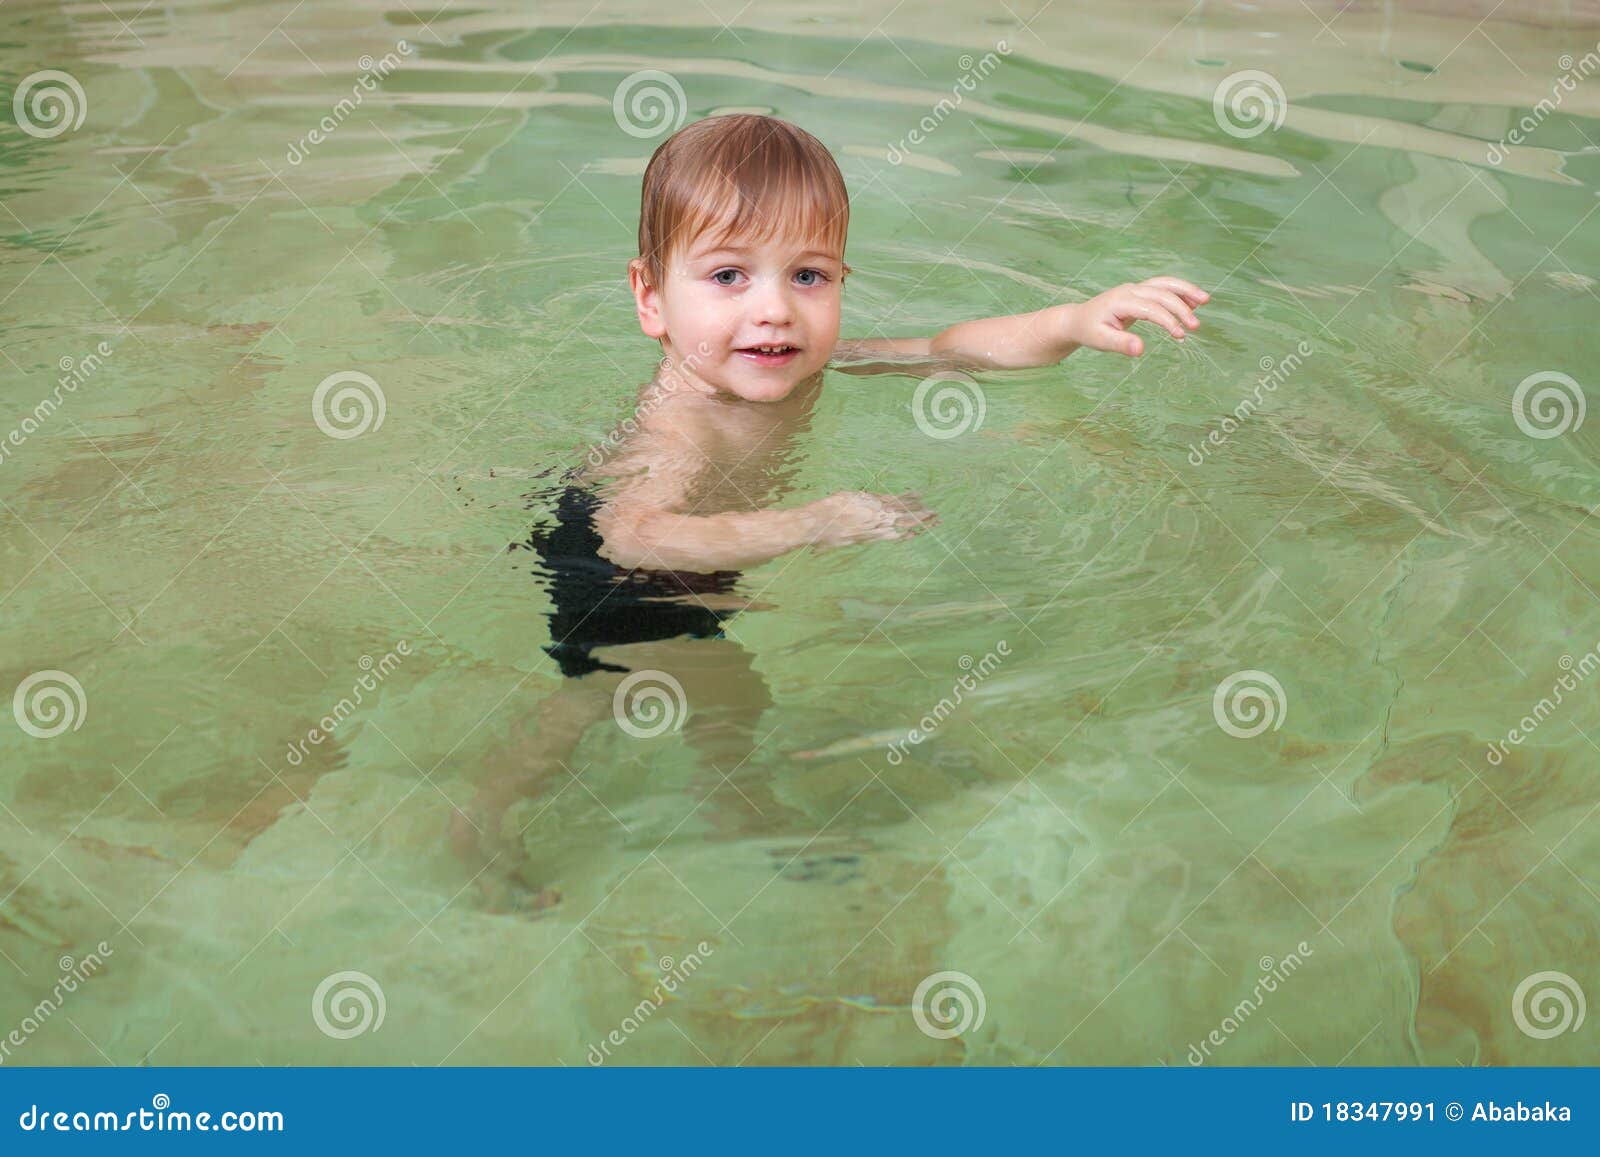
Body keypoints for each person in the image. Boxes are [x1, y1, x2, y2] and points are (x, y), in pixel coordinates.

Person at [452, 113, 1209, 912]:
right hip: (615, 567)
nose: (776, 309)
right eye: (728, 277)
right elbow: (633, 532)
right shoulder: (679, 428)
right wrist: (815, 521)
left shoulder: (809, 364)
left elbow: (949, 349)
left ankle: (732, 808)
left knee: (723, 690)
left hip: (700, 559)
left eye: (807, 276)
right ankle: (476, 821)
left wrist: (1069, 322)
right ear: (652, 300)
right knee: (590, 697)